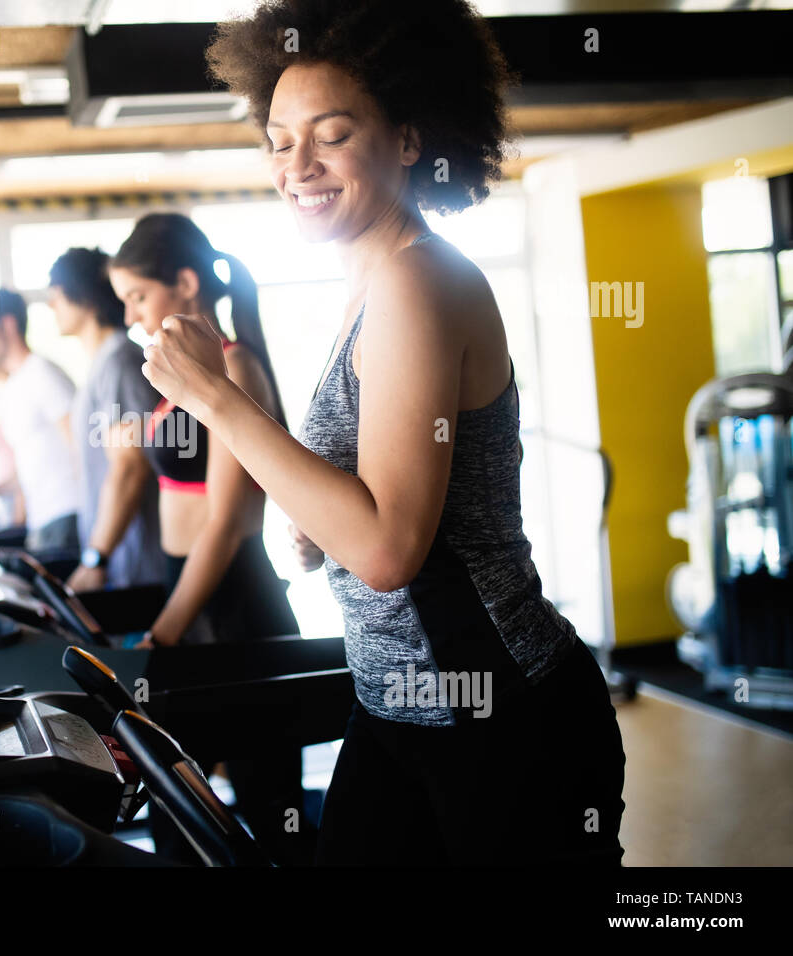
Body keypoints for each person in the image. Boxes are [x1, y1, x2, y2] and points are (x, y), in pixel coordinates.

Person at [138, 0, 627, 865]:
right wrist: (318, 522)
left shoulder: (416, 281)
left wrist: (216, 399)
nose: (299, 165)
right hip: (399, 701)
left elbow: (391, 549)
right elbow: (369, 514)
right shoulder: (371, 284)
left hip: (496, 717)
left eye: (331, 134)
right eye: (281, 141)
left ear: (408, 137)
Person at [108, 213, 316, 866]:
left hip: (228, 604)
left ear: (187, 284)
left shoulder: (236, 369)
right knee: (179, 802)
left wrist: (165, 633)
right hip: (187, 595)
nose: (132, 316)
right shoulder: (181, 381)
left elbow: (226, 522)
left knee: (263, 804)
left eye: (139, 296)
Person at [48, 248, 166, 592]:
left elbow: (130, 465)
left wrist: (96, 558)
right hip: (122, 563)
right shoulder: (104, 363)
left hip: (136, 566)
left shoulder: (118, 362)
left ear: (83, 297)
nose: (51, 306)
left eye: (56, 296)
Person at [0, 288, 80, 554]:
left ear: (8, 325)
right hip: (44, 521)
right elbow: (24, 472)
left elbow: (82, 448)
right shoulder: (16, 385)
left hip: (67, 516)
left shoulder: (43, 374)